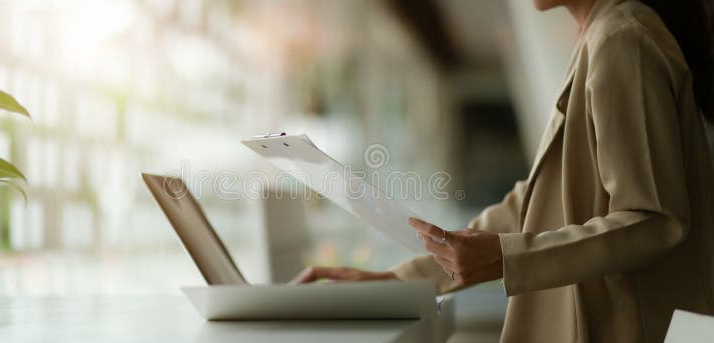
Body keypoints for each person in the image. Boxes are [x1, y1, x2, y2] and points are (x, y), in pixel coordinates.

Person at [291, 0, 714, 341]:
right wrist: (399, 280)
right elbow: (536, 199)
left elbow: (655, 221)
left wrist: (506, 258)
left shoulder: (622, 38)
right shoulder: (604, 35)